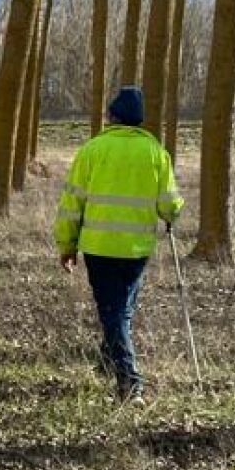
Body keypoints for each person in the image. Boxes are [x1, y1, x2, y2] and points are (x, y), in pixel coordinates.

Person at [54, 87, 184, 400]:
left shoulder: (93, 150)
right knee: (122, 309)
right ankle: (107, 360)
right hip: (137, 249)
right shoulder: (155, 152)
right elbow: (169, 203)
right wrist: (172, 212)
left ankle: (129, 381)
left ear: (112, 116)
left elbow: (72, 203)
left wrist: (66, 245)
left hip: (99, 247)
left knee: (114, 312)